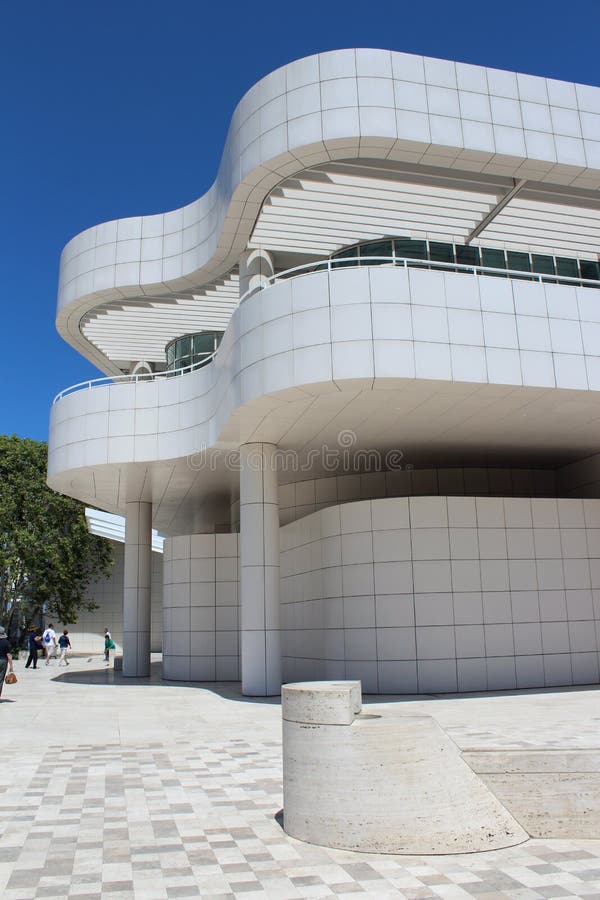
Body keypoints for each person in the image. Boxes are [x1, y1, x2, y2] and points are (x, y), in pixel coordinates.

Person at [0, 626, 15, 699]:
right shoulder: (6, 642)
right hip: (3, 661)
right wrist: (11, 666)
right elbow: (8, 655)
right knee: (0, 680)